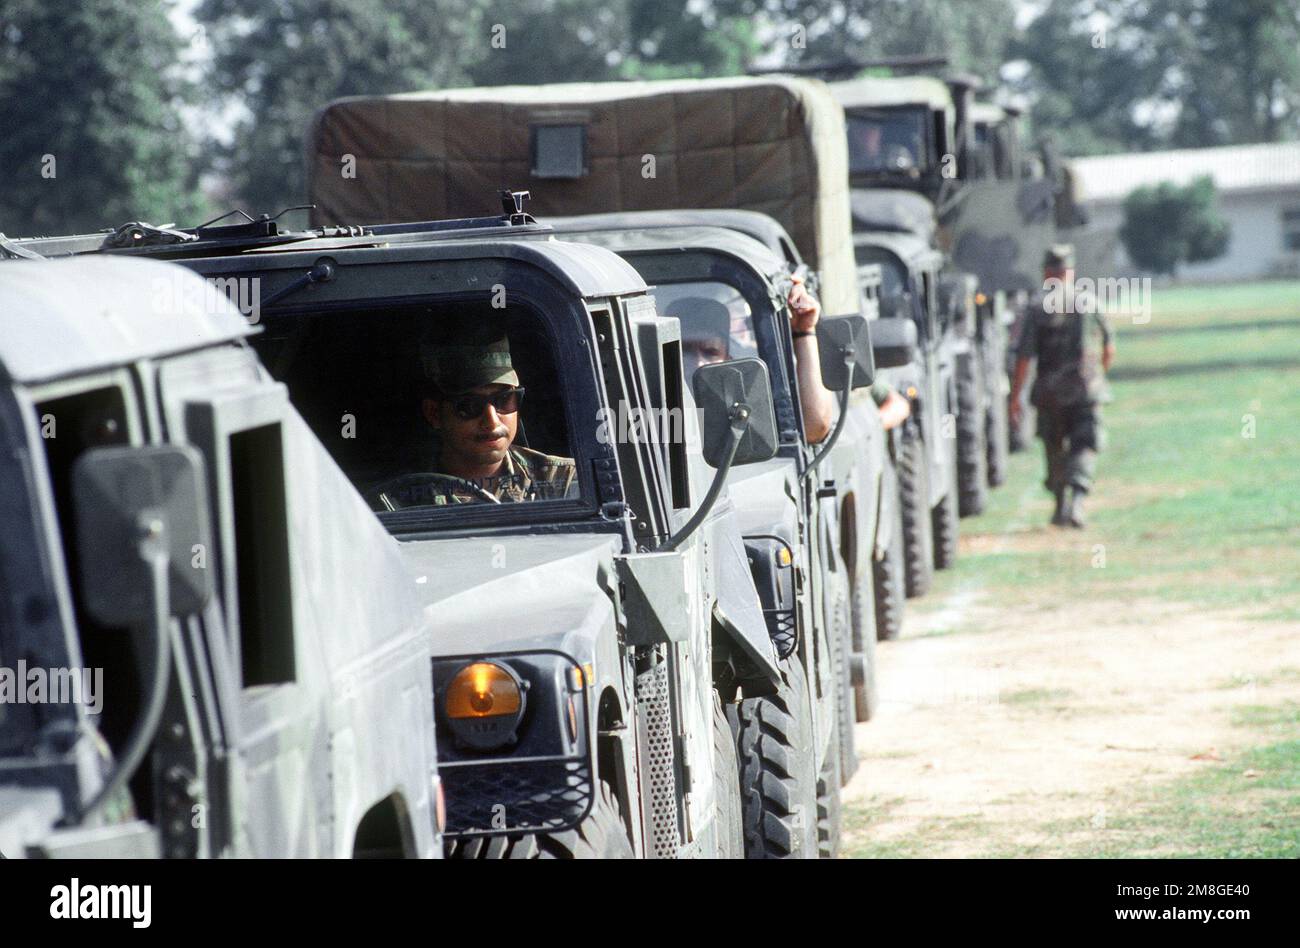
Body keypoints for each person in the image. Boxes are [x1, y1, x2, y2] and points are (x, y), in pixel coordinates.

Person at [372, 334, 576, 509]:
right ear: (434, 413)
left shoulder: (561, 481)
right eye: (469, 406)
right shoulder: (396, 499)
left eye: (504, 400)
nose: (492, 421)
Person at [1008, 245, 1115, 528]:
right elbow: (1109, 348)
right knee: (1085, 444)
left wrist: (1016, 396)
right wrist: (1099, 375)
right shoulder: (1088, 302)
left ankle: (1060, 506)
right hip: (1085, 390)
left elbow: (1024, 357)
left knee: (1054, 446)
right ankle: (1077, 502)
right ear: (1071, 271)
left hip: (1049, 393)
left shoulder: (1036, 307)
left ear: (1046, 272)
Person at [667, 274, 836, 444]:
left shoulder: (743, 408)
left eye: (710, 352)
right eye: (684, 352)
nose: (698, 363)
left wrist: (804, 332)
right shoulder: (657, 412)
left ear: (727, 359)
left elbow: (814, 428)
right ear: (666, 358)